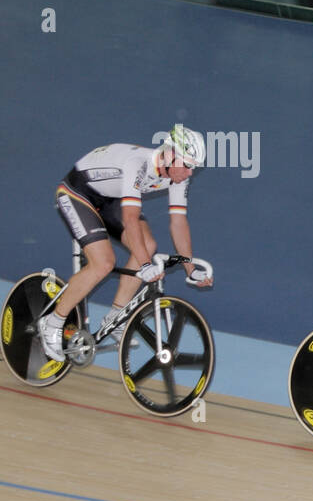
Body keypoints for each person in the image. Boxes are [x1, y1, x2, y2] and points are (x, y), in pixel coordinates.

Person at [39, 126, 214, 363]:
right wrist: (143, 265)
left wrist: (189, 269)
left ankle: (115, 317)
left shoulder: (177, 175)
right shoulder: (138, 164)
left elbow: (178, 223)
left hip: (111, 198)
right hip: (77, 193)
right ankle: (53, 322)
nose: (190, 172)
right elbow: (131, 218)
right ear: (170, 154)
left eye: (194, 167)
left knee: (148, 245)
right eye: (187, 164)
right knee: (103, 263)